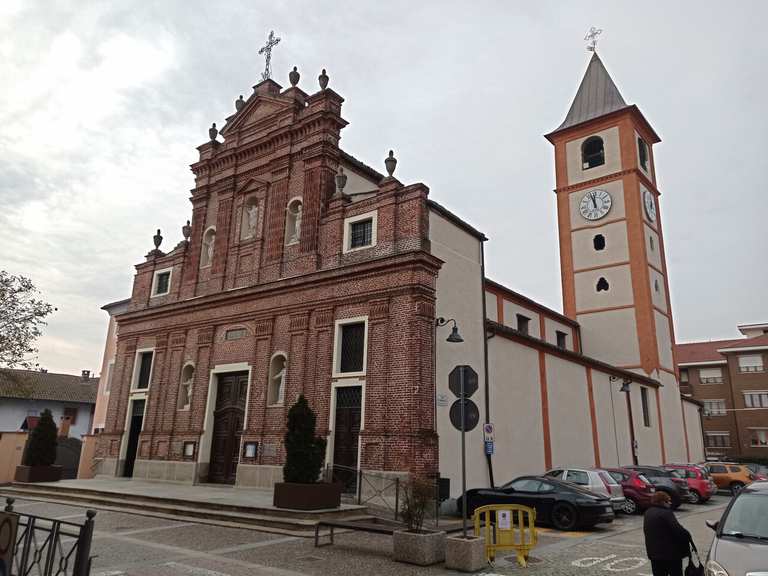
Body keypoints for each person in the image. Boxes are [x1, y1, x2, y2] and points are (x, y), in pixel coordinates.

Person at [643, 491, 693, 576]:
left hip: (654, 554)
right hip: (670, 555)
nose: (670, 503)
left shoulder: (648, 512)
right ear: (662, 502)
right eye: (668, 501)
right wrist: (688, 536)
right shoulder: (666, 513)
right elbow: (679, 530)